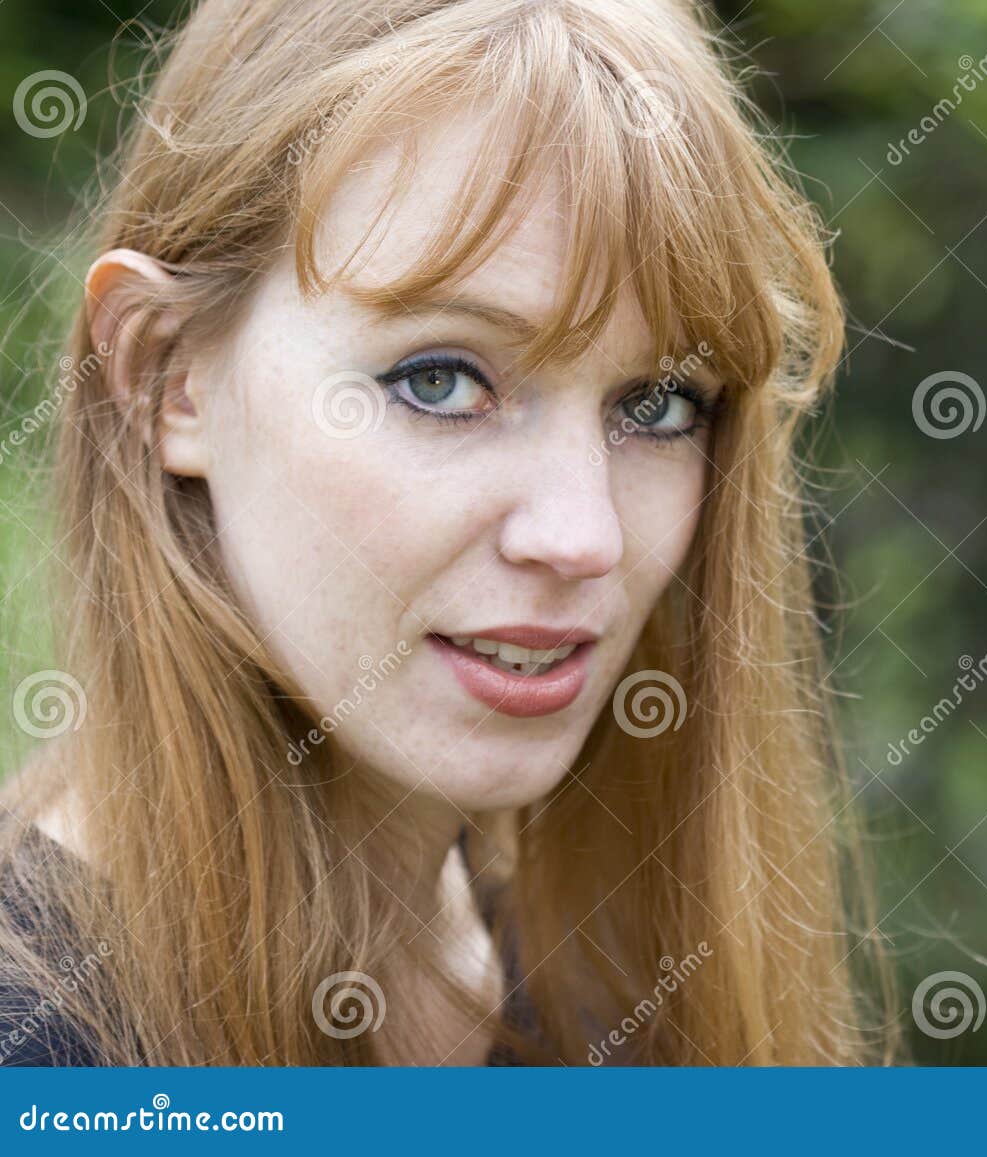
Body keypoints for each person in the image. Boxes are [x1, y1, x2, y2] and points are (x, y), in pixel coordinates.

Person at [0, 0, 897, 1066]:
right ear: (167, 376)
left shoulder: (614, 1002)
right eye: (441, 380)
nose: (583, 536)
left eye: (657, 404)